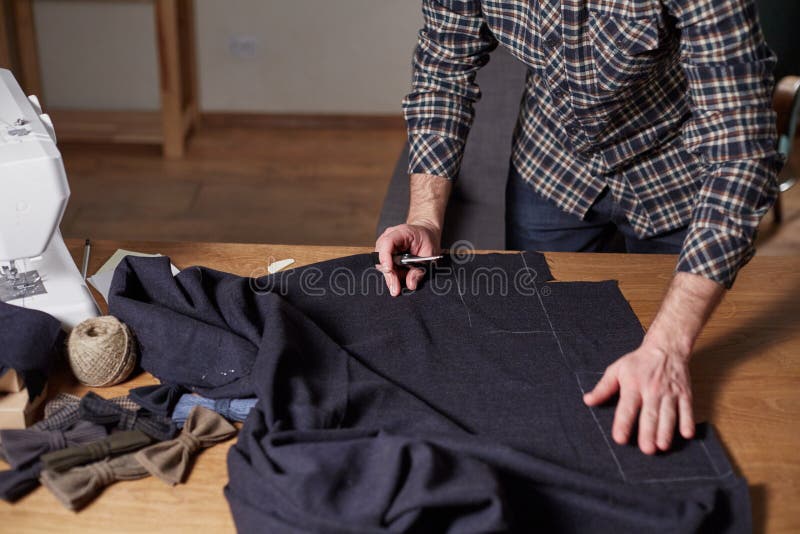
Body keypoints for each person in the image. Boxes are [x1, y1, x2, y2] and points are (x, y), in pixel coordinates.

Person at [375, 0, 782, 455]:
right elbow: (443, 69)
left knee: (677, 364)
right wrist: (425, 218)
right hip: (554, 163)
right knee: (544, 339)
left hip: (680, 170)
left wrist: (666, 350)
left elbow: (742, 157)